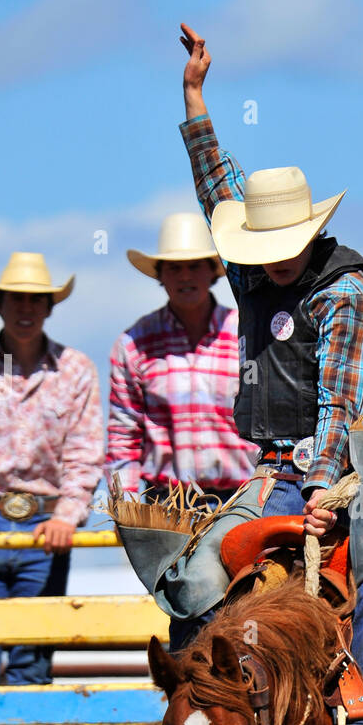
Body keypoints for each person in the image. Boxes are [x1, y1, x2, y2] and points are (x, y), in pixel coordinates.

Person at [177, 23, 363, 725]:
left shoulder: (348, 295)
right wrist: (195, 101)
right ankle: (209, 717)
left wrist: (322, 497)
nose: (262, 259)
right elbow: (220, 192)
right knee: (192, 575)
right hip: (269, 469)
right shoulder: (254, 272)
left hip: (338, 471)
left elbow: (339, 408)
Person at [0, 253, 104, 725]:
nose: (25, 308)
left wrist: (67, 515)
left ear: (49, 306)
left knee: (33, 659)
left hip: (46, 526)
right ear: (0, 304)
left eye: (35, 299)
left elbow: (84, 450)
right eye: (16, 299)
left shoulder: (74, 370)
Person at [107, 212, 258, 507]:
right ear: (161, 276)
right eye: (175, 268)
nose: (185, 276)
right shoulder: (135, 343)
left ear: (212, 272)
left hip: (243, 500)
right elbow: (124, 433)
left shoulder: (247, 334)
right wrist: (125, 505)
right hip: (165, 504)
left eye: (194, 266)